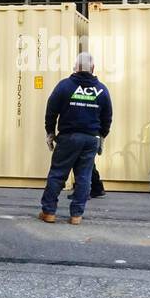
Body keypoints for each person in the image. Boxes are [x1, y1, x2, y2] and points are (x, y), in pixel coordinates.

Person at [40, 52, 112, 225]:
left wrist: (50, 132)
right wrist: (102, 135)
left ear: (75, 67)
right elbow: (107, 117)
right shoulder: (101, 90)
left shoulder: (64, 86)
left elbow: (51, 111)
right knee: (84, 177)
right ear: (93, 69)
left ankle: (49, 212)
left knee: (58, 174)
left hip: (68, 138)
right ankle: (76, 216)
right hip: (90, 139)